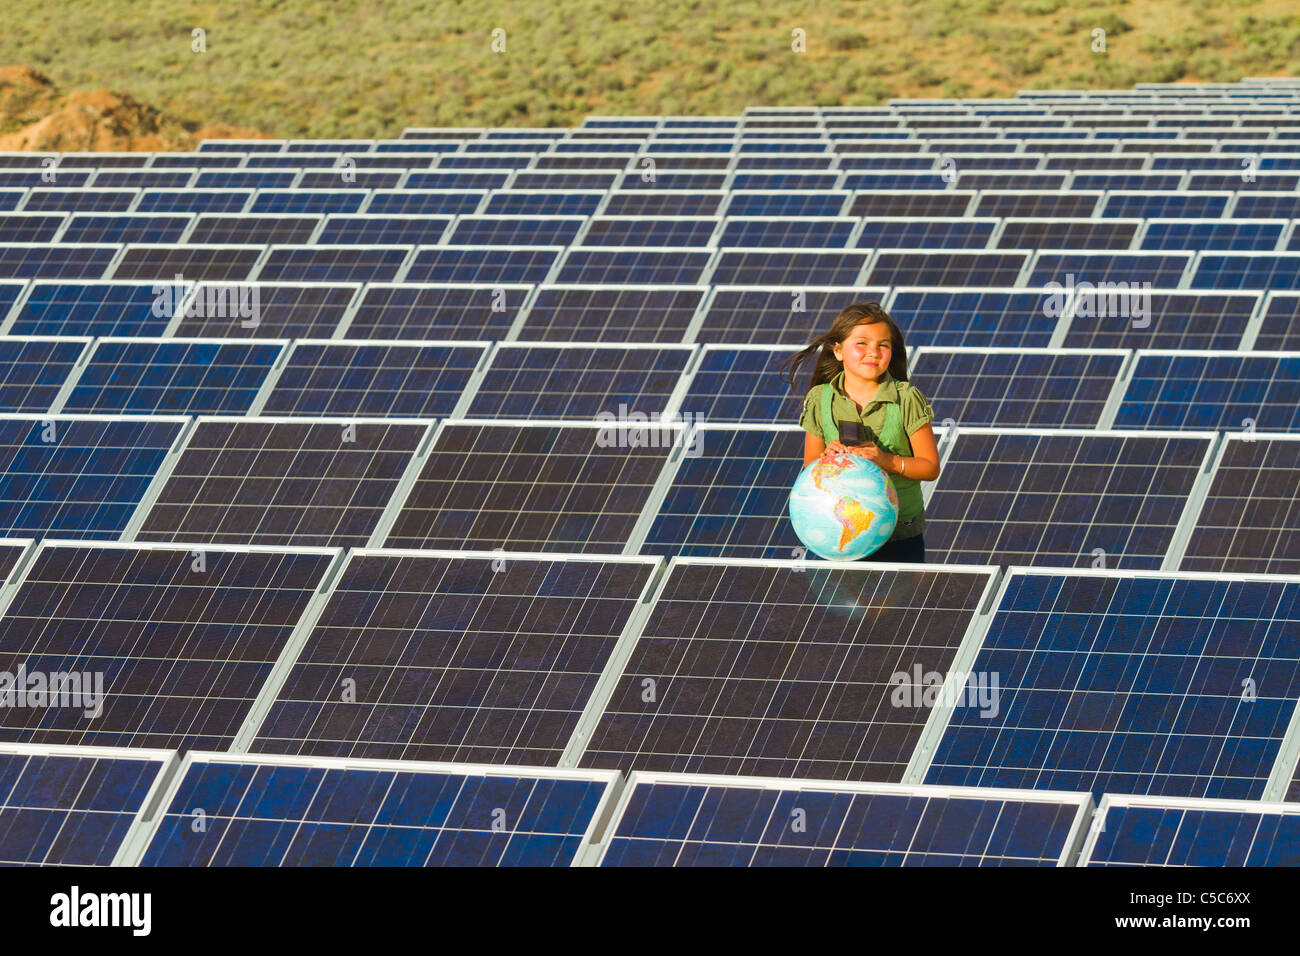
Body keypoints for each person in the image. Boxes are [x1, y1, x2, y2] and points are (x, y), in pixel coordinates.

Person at [780, 301, 940, 563]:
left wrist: (886, 461)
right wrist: (827, 459)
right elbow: (811, 464)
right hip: (837, 533)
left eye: (883, 345)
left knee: (897, 605)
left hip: (900, 535)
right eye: (862, 343)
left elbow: (930, 467)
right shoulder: (820, 399)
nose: (873, 352)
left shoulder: (907, 398)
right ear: (838, 350)